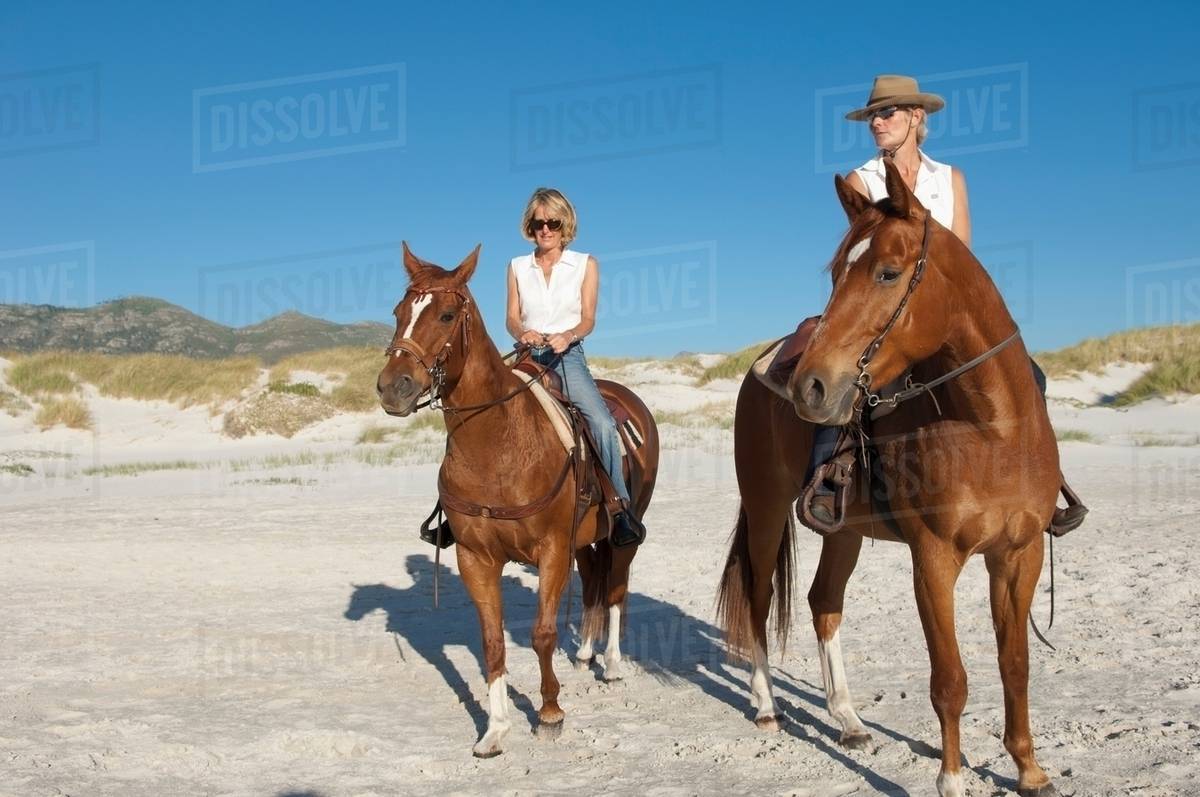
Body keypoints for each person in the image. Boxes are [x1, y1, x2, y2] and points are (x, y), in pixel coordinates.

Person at [804, 75, 1086, 535]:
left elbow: (963, 256)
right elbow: (865, 256)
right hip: (885, 306)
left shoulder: (950, 178)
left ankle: (1044, 483)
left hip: (942, 307)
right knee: (849, 373)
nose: (876, 122)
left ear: (916, 117)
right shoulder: (862, 180)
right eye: (872, 115)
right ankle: (830, 475)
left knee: (1030, 375)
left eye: (887, 112)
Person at [505, 187, 646, 548]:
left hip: (566, 356)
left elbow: (588, 319)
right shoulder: (517, 266)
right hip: (527, 354)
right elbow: (511, 318)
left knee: (600, 421)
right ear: (530, 226)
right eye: (538, 223)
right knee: (482, 409)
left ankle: (619, 507)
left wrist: (567, 336)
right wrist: (523, 332)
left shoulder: (585, 264)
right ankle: (450, 510)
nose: (545, 229)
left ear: (564, 224)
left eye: (552, 222)